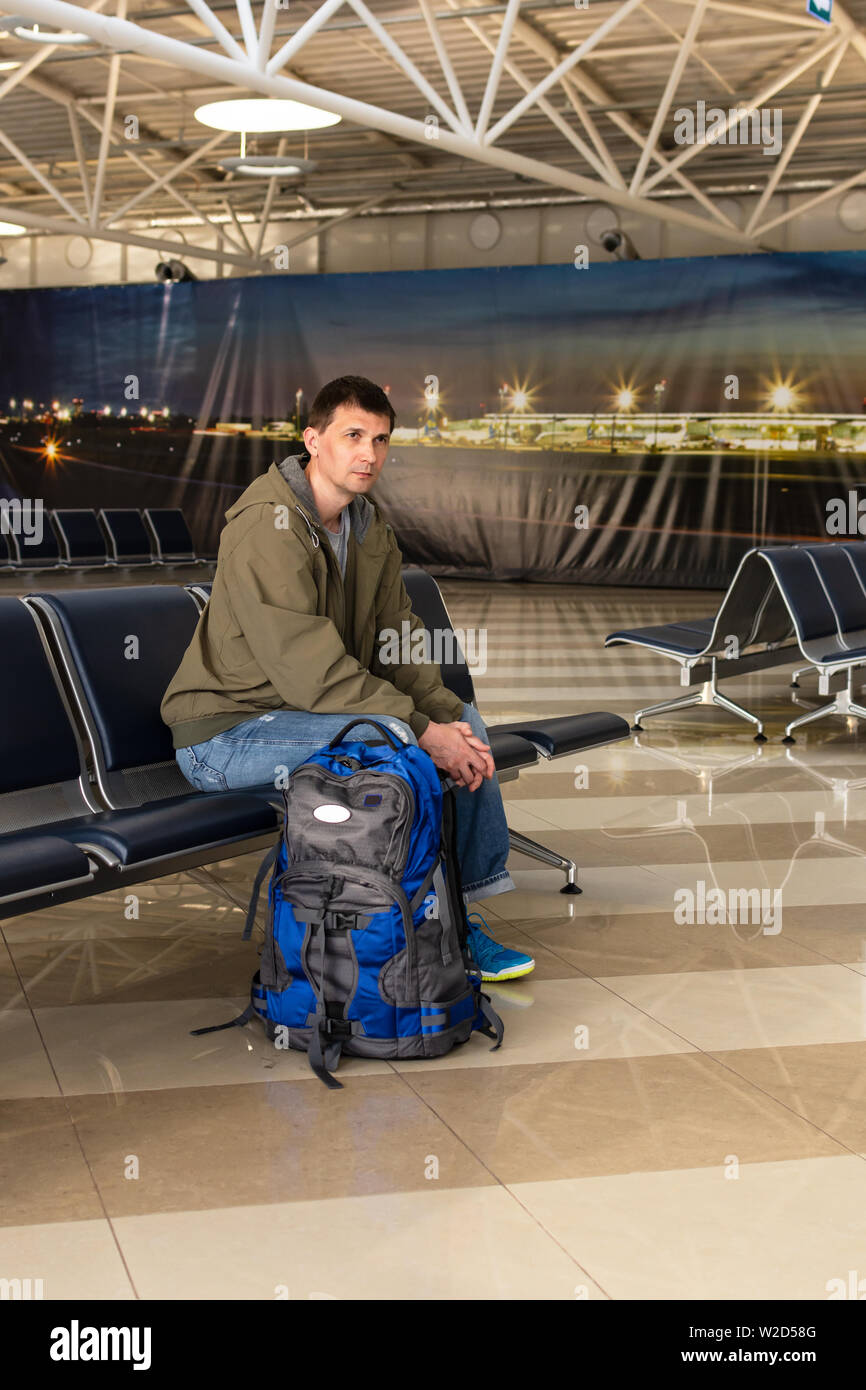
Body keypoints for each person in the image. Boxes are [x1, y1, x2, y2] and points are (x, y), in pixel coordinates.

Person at [162, 375, 534, 982]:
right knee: (394, 738)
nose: (369, 454)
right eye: (353, 435)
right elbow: (309, 667)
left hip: (300, 715)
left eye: (381, 440)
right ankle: (437, 929)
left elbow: (398, 636)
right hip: (226, 734)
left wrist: (442, 717)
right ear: (313, 439)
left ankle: (460, 911)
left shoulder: (367, 527)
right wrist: (417, 728)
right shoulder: (267, 525)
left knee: (462, 720)